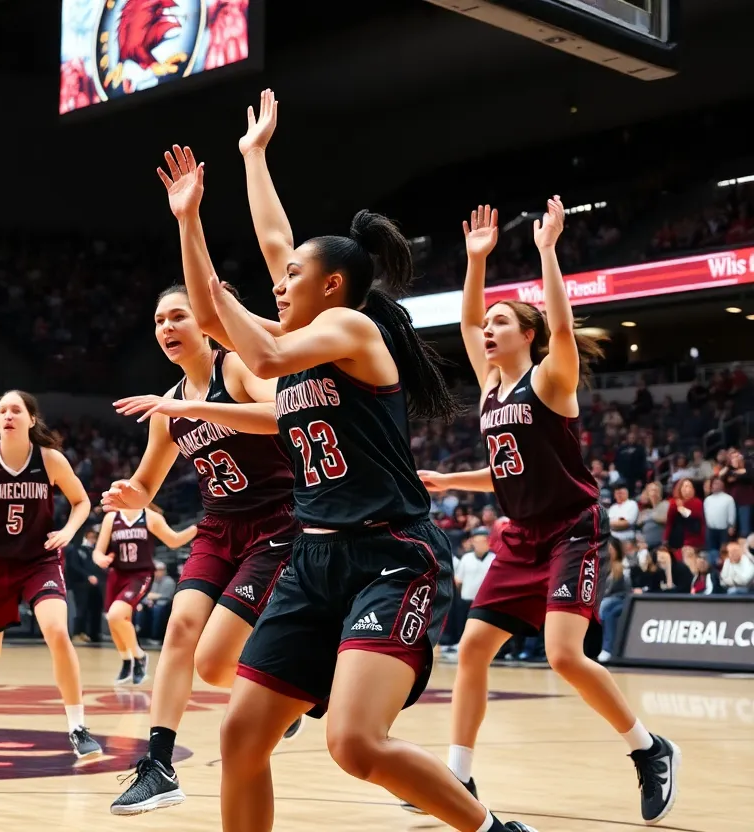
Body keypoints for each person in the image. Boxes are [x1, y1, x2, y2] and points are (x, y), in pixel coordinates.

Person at [194, 88, 536, 832]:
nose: (278, 283)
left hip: (390, 553)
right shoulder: (308, 320)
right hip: (313, 559)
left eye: (292, 280)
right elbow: (274, 248)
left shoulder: (348, 329)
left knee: (353, 743)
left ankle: (490, 829)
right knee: (239, 734)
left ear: (332, 286)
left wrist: (218, 285)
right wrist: (247, 165)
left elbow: (266, 344)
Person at [417, 200, 679, 824]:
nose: (487, 330)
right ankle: (459, 778)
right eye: (488, 325)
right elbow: (507, 472)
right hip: (520, 536)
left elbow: (562, 329)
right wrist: (476, 262)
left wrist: (547, 251)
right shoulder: (488, 387)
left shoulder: (550, 379)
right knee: (473, 646)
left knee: (564, 654)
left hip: (572, 532)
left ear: (526, 335)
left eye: (501, 323)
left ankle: (648, 750)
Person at [105, 151, 301, 813]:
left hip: (278, 521)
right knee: (181, 626)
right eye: (159, 321)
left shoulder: (237, 366)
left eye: (178, 316)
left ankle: (291, 679)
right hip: (221, 527)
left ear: (205, 322)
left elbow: (281, 417)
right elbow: (147, 481)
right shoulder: (168, 405)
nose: (166, 327)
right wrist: (129, 496)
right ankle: (158, 763)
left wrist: (194, 408)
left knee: (219, 659)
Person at [0, 390, 102, 759]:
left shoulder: (49, 459)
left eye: (16, 410)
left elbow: (81, 501)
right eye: (2, 410)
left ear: (31, 420)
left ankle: (78, 727)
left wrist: (69, 531)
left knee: (58, 632)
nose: (9, 415)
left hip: (39, 561)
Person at [92, 505, 197, 685]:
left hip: (139, 575)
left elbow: (173, 540)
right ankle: (126, 660)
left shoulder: (150, 517)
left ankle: (139, 656)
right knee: (113, 620)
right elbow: (97, 551)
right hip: (117, 574)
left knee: (117, 615)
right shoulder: (111, 517)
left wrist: (198, 527)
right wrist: (100, 559)